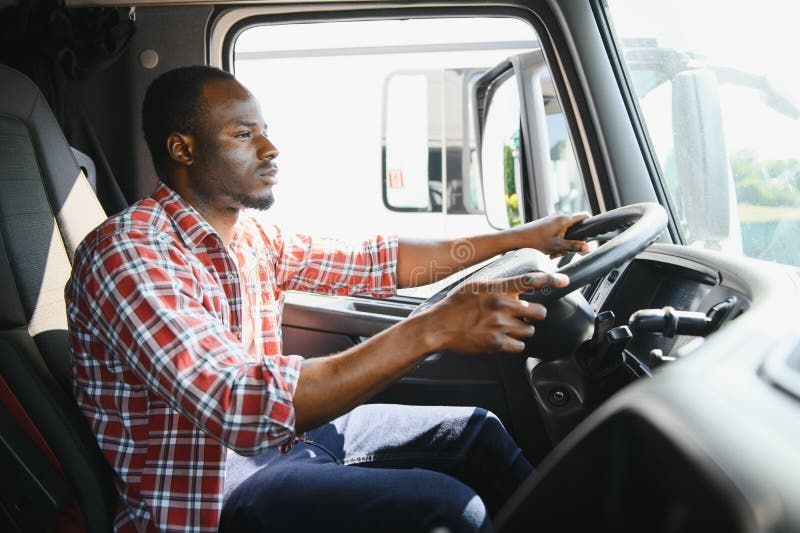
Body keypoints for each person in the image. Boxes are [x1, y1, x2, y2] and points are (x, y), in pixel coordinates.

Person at [66, 65, 589, 532]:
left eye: (265, 131)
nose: (270, 149)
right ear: (183, 149)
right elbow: (238, 404)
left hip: (282, 445)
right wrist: (433, 327)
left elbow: (377, 261)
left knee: (477, 432)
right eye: (244, 134)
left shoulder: (251, 238)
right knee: (449, 509)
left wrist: (520, 238)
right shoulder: (128, 253)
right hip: (211, 495)